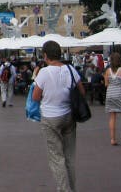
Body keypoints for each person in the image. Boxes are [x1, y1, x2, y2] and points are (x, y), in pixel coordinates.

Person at [32, 40, 85, 192]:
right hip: (68, 115)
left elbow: (36, 97)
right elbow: (81, 91)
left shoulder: (44, 72)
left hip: (50, 117)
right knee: (69, 155)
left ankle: (64, 189)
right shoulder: (70, 69)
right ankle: (71, 188)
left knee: (56, 157)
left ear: (45, 55)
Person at [103, 52, 121, 145]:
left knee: (112, 117)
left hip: (110, 95)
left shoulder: (107, 71)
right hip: (119, 94)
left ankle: (112, 139)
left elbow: (106, 84)